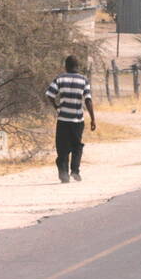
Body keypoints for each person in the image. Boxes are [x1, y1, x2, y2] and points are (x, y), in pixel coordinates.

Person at [45, 55, 95, 183]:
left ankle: (64, 174)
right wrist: (93, 119)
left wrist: (56, 106)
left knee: (62, 147)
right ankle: (75, 171)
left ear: (66, 66)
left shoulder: (60, 78)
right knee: (77, 146)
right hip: (78, 120)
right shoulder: (84, 80)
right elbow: (88, 100)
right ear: (78, 66)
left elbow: (50, 94)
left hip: (63, 119)